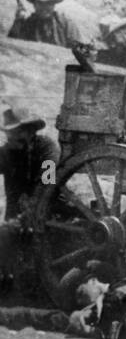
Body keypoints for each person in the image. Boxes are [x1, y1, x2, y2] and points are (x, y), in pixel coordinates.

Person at [0, 106, 60, 286]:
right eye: (9, 133)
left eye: (15, 132)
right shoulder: (6, 153)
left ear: (28, 131)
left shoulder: (48, 148)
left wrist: (31, 211)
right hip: (16, 215)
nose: (10, 138)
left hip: (48, 210)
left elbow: (47, 182)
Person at [9, 0, 96, 67]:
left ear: (54, 5)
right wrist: (18, 21)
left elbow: (83, 53)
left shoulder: (65, 24)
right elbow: (11, 49)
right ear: (34, 5)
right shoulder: (28, 24)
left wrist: (89, 51)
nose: (44, 7)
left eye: (48, 4)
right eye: (40, 3)